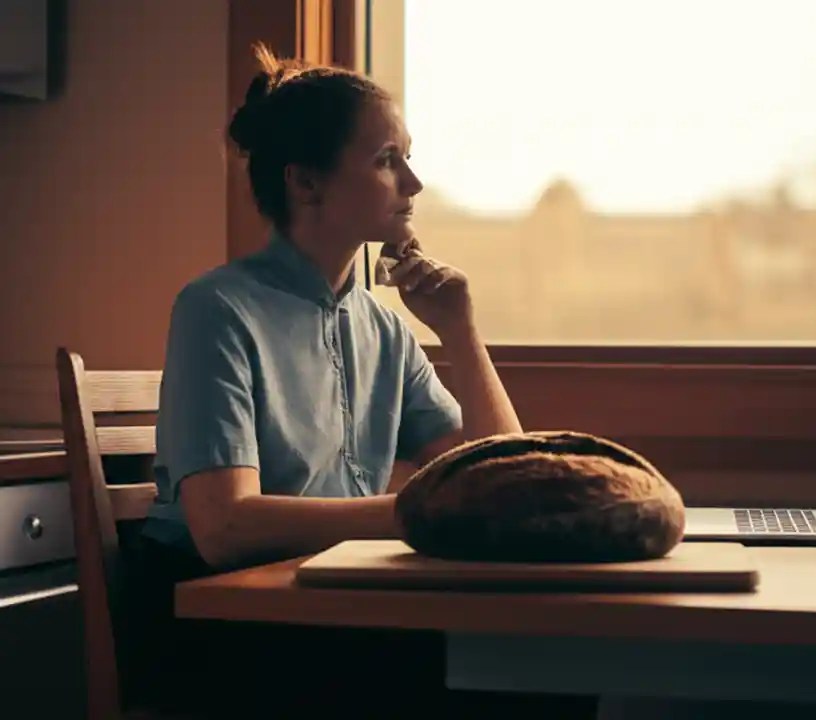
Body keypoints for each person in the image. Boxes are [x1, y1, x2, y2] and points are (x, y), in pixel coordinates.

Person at [125, 44, 595, 718]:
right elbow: (224, 528)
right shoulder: (217, 309)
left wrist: (459, 331)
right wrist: (411, 515)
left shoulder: (384, 328)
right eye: (387, 159)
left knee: (545, 664)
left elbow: (505, 475)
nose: (414, 182)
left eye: (408, 158)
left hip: (325, 601)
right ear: (305, 182)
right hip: (217, 620)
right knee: (513, 681)